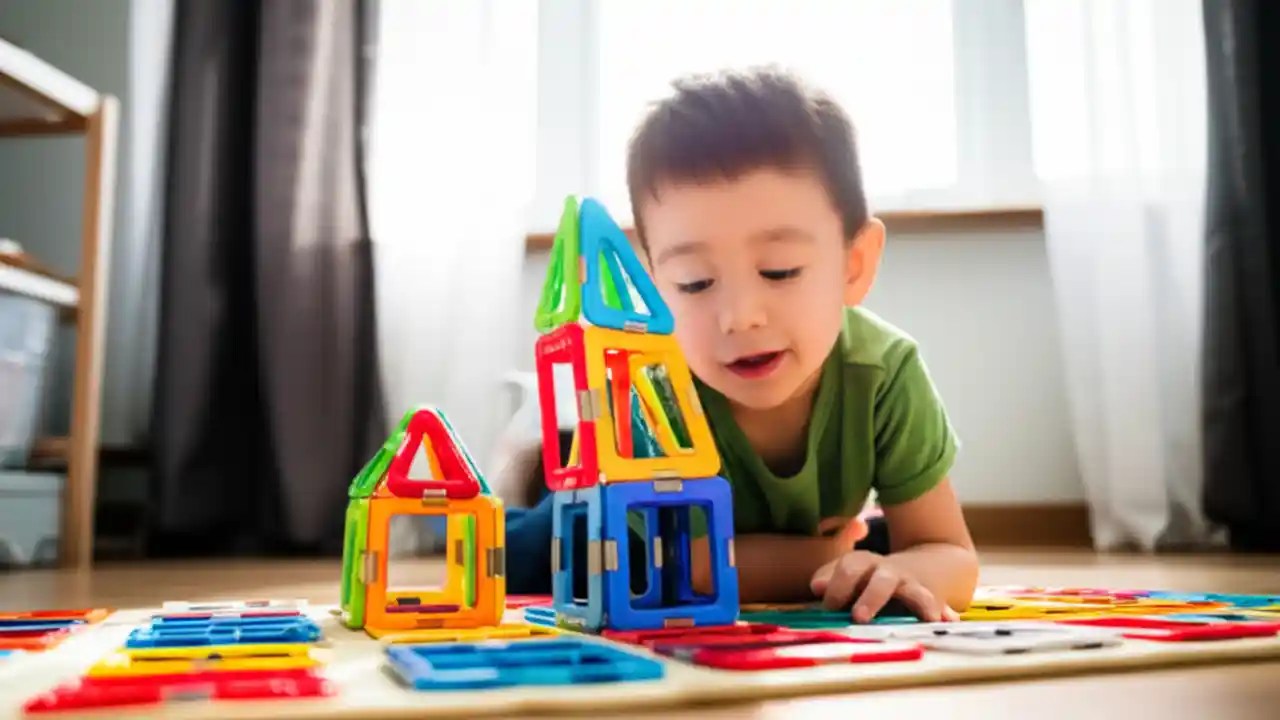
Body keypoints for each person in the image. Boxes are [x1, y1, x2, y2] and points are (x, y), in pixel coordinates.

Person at [505, 66, 977, 623]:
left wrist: (908, 570)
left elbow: (951, 554)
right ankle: (522, 480)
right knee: (522, 550)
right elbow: (693, 570)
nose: (739, 317)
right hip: (625, 541)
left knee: (874, 552)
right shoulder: (654, 391)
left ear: (854, 266)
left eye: (779, 271)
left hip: (790, 538)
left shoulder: (885, 372)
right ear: (654, 288)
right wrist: (831, 556)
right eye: (694, 284)